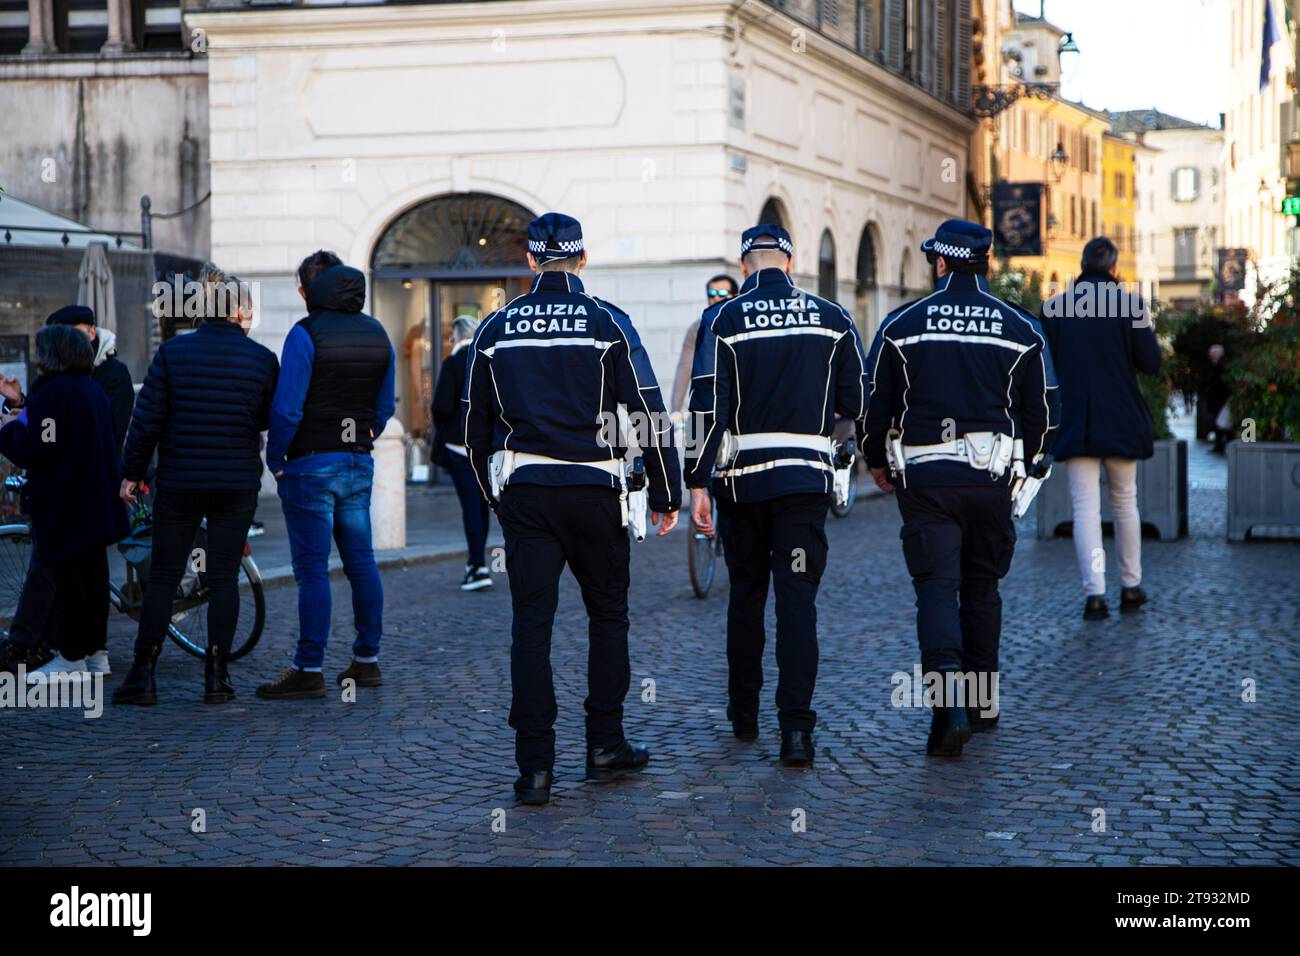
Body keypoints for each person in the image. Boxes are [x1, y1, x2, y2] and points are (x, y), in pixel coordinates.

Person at [464, 212, 681, 806]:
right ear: (583, 259)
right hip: (595, 491)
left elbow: (473, 429)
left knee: (530, 625)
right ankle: (605, 744)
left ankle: (534, 767)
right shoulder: (608, 321)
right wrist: (666, 492)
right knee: (608, 617)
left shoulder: (495, 327)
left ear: (530, 261)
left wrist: (495, 501)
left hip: (527, 493)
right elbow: (647, 411)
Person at [862, 219, 1058, 755]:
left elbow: (874, 405)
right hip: (991, 479)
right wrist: (1030, 463)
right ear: (987, 262)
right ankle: (984, 703)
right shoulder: (1020, 326)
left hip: (926, 479)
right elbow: (1045, 414)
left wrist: (877, 459)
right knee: (981, 588)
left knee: (936, 589)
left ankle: (948, 709)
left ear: (941, 263)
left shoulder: (902, 324)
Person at [686, 224, 866, 767]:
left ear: (744, 268)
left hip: (742, 482)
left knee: (746, 597)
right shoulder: (833, 318)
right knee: (797, 603)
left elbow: (702, 405)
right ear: (791, 263)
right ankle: (797, 731)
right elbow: (854, 401)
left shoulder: (722, 318)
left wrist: (696, 482)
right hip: (804, 482)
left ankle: (744, 714)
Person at [113, 265, 279, 705]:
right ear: (238, 311)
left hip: (181, 479)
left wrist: (130, 474)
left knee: (165, 576)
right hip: (236, 481)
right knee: (223, 578)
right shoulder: (262, 359)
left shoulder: (172, 355)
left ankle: (143, 674)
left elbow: (145, 422)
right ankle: (218, 677)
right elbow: (267, 420)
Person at [259, 251, 396, 700]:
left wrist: (277, 457)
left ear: (311, 291)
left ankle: (309, 666)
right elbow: (386, 404)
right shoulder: (377, 332)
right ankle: (367, 660)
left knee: (312, 570)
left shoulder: (306, 333)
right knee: (361, 562)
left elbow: (288, 406)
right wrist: (365, 434)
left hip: (310, 463)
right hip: (357, 459)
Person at [0, 304, 134, 676]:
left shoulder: (55, 393)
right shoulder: (90, 389)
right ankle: (95, 654)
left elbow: (39, 446)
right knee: (92, 583)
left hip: (66, 505)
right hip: (95, 503)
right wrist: (22, 410)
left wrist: (8, 428)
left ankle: (71, 657)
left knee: (73, 583)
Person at [1041, 236, 1161, 621]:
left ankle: (1094, 595)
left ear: (1081, 265)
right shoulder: (1131, 305)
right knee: (1126, 503)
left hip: (1077, 420)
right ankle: (1131, 585)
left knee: (1085, 509)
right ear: (1114, 268)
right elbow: (1151, 362)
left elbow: (1044, 366)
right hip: (1121, 419)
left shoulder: (1056, 307)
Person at [431, 316, 492, 591]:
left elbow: (441, 406)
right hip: (486, 446)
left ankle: (477, 565)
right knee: (482, 505)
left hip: (459, 446)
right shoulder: (489, 361)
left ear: (455, 337)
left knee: (470, 507)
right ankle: (477, 563)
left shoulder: (453, 363)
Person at [671, 274, 737, 413]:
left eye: (723, 293)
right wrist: (675, 410)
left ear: (735, 295)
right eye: (711, 294)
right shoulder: (697, 328)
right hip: (711, 402)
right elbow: (685, 367)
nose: (716, 298)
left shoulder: (743, 323)